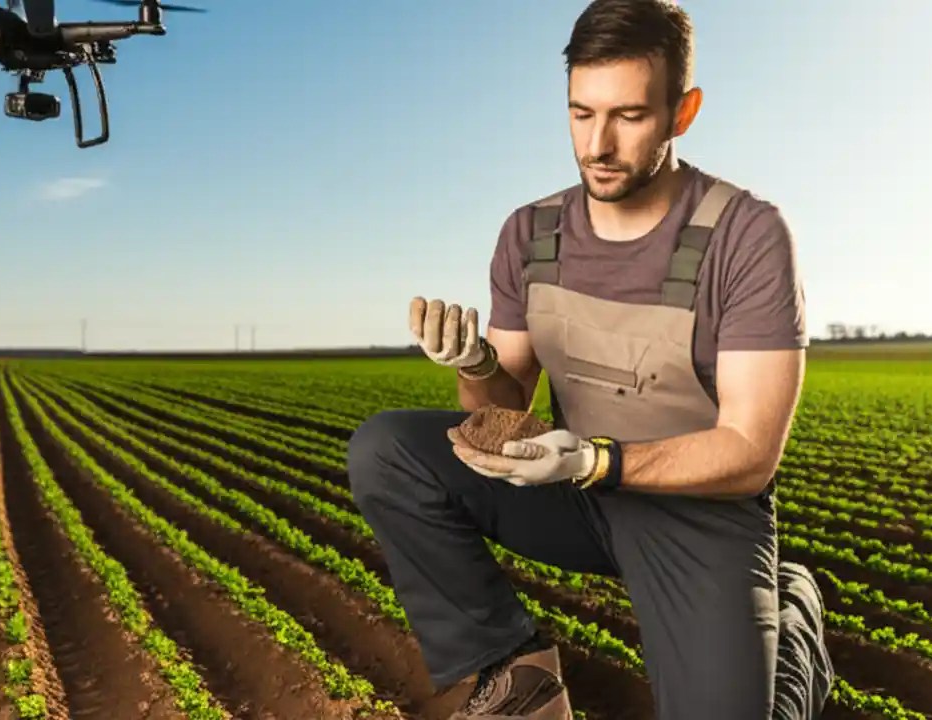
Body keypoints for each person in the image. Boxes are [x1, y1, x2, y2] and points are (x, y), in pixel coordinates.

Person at [346, 0, 834, 718]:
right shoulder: (531, 232)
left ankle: (792, 623)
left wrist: (591, 461)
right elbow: (501, 416)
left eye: (629, 116)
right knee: (388, 450)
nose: (597, 144)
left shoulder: (746, 234)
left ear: (682, 112)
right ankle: (517, 670)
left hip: (697, 517)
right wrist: (477, 361)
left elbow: (751, 452)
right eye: (581, 113)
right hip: (571, 494)